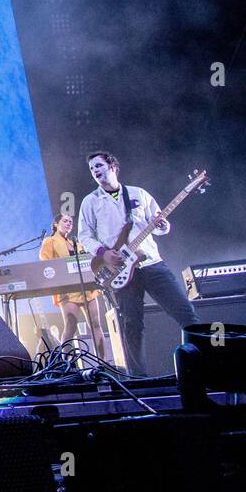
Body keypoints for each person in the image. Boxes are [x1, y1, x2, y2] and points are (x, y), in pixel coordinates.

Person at [77, 150, 198, 377]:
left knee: (186, 313)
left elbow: (162, 225)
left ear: (112, 166)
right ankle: (138, 379)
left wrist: (161, 224)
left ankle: (198, 368)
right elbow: (84, 236)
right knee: (132, 325)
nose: (95, 171)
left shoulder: (138, 194)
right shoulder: (90, 202)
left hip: (151, 262)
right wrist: (104, 253)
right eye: (92, 169)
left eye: (99, 166)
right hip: (121, 269)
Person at [39, 213, 105, 356]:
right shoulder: (50, 241)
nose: (69, 224)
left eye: (71, 222)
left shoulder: (77, 242)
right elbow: (46, 265)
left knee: (96, 324)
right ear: (56, 224)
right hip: (67, 290)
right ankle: (67, 362)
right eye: (65, 221)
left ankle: (103, 361)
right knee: (71, 325)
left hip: (87, 288)